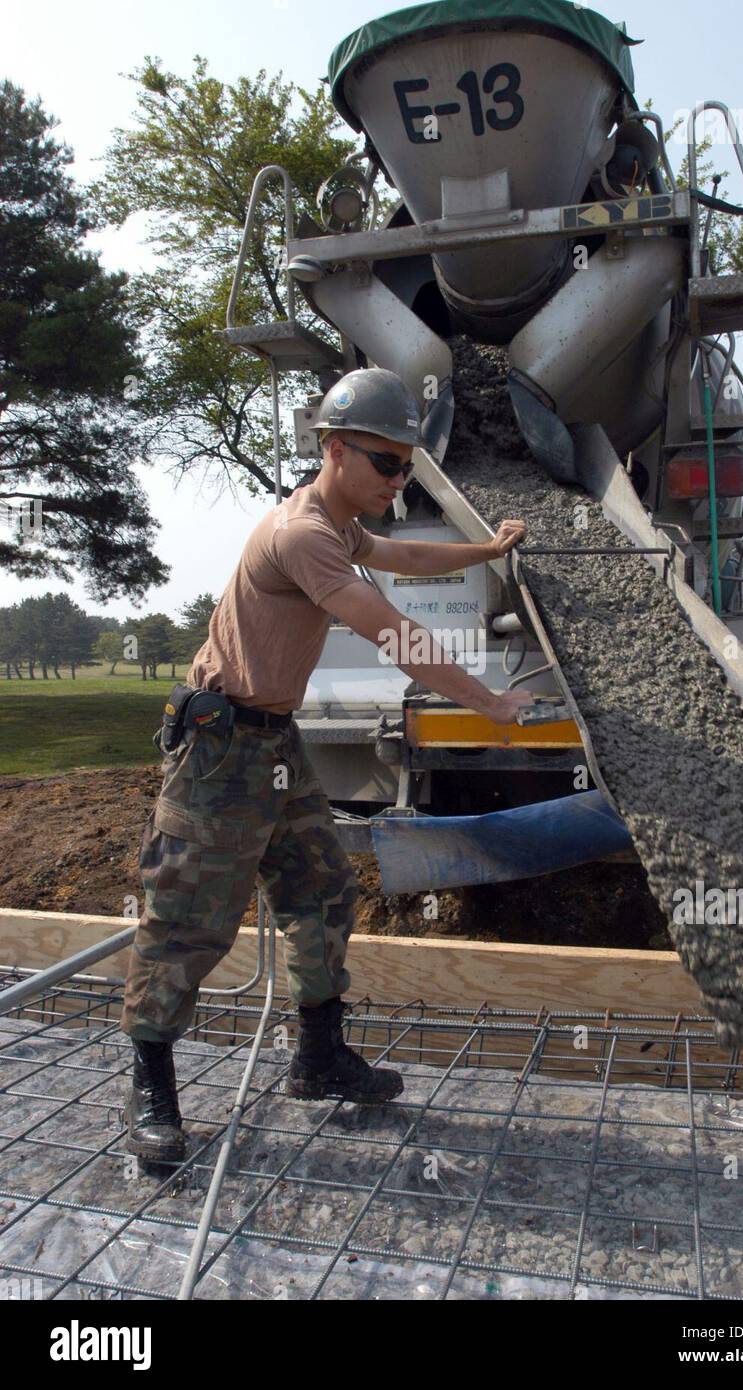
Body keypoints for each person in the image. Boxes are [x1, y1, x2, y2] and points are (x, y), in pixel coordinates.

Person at [120, 367, 535, 1163]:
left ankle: (316, 1060)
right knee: (187, 921)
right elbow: (392, 630)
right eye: (385, 462)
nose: (398, 477)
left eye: (407, 465)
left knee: (319, 889)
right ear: (336, 450)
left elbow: (401, 556)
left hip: (275, 743)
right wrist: (489, 701)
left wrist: (486, 546)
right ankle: (149, 1088)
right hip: (219, 752)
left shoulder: (342, 527)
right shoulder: (303, 533)